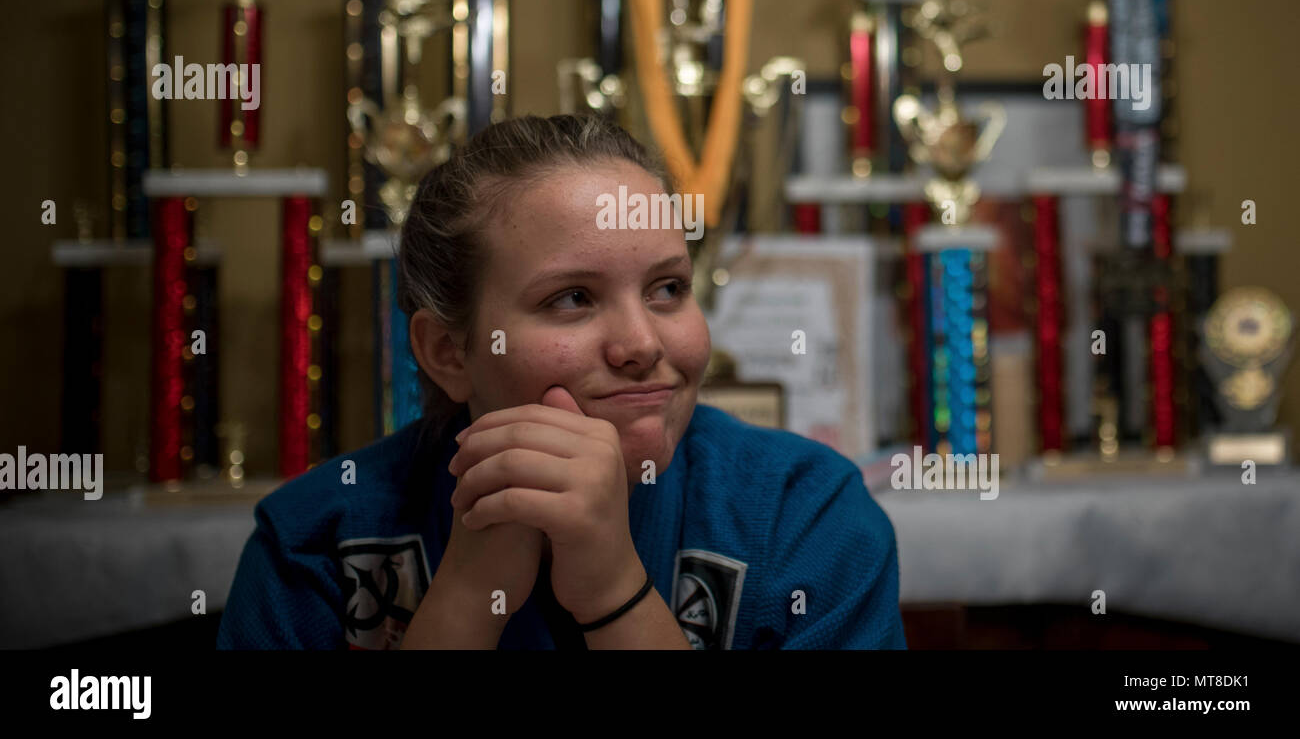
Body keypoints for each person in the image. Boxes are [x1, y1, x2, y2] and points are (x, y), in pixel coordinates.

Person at [217, 113, 906, 649]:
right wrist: (467, 592)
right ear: (448, 351)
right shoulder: (316, 543)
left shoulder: (807, 516)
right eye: (571, 298)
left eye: (668, 288)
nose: (641, 344)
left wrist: (612, 589)